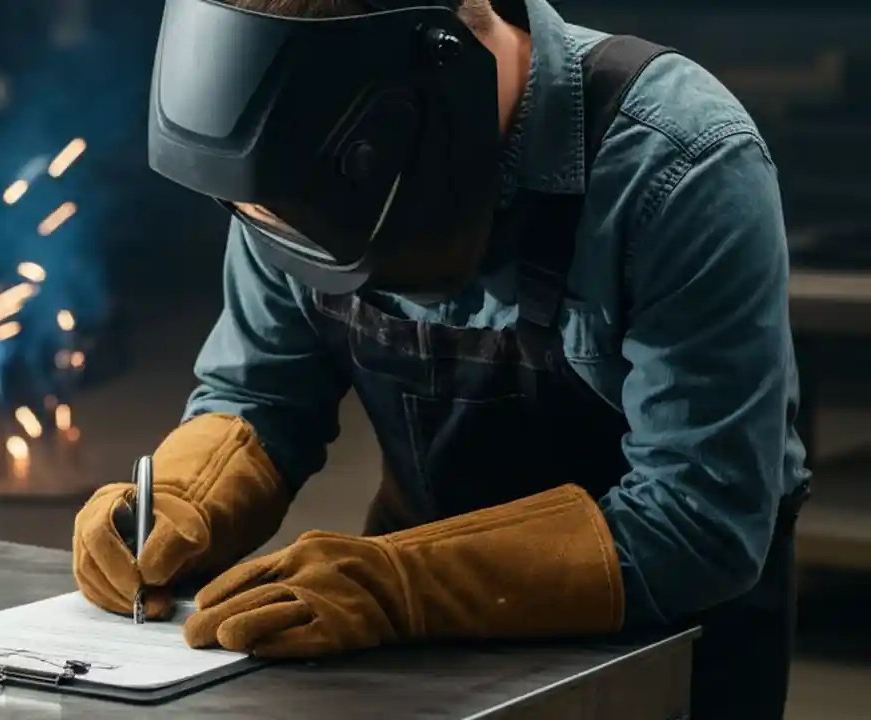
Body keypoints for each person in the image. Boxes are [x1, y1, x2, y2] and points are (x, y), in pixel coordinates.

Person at [73, 0, 810, 716]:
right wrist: (186, 498)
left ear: (425, 88)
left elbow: (698, 520)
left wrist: (399, 586)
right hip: (410, 659)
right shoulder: (294, 147)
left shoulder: (680, 165)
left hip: (663, 656)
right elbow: (262, 396)